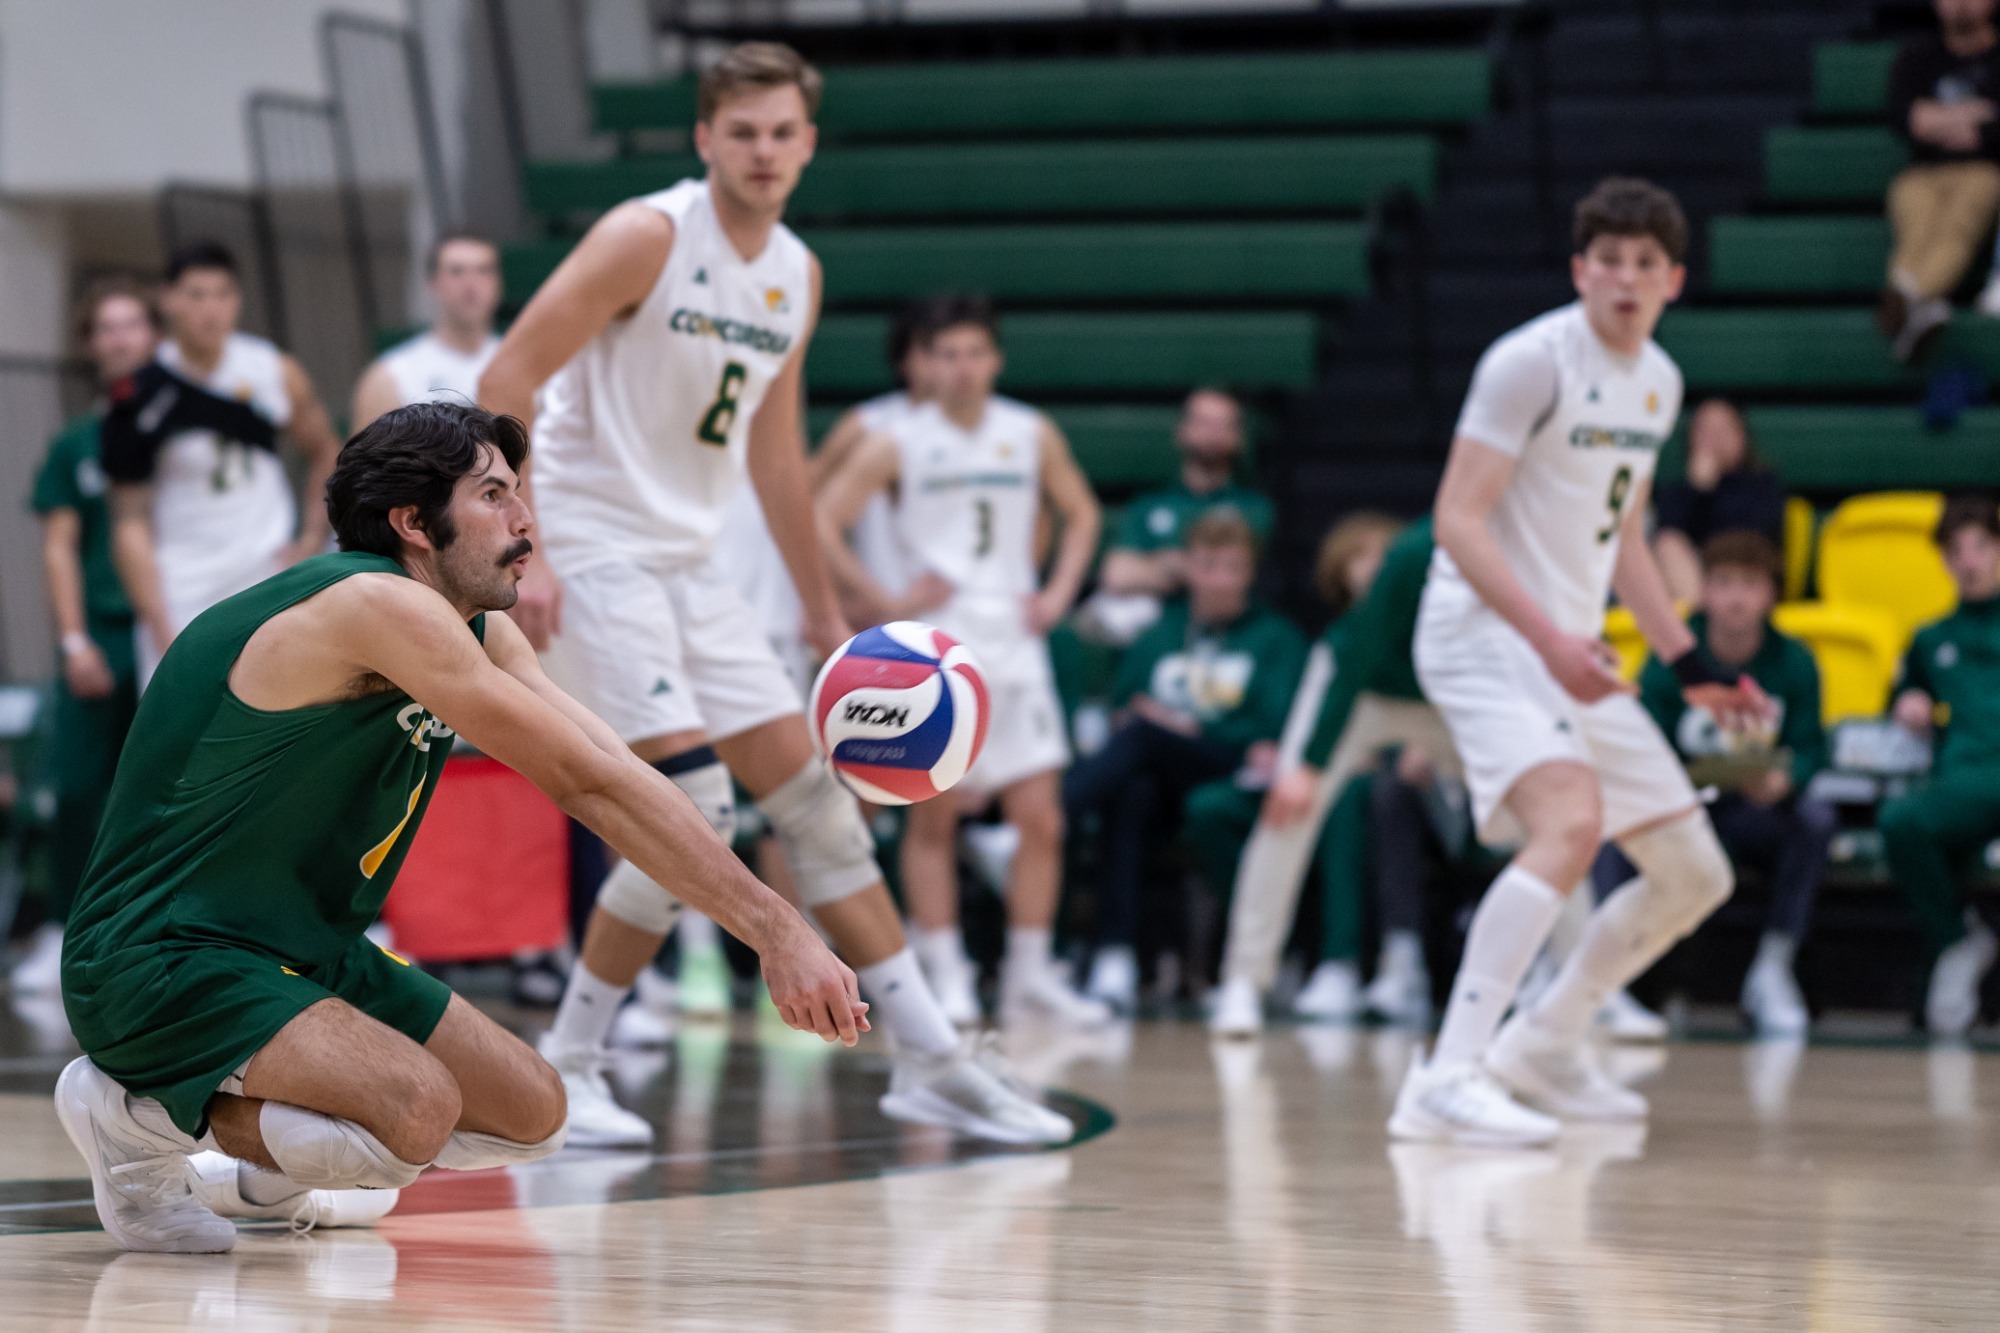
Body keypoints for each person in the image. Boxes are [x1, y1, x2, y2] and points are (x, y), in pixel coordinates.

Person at [56, 401, 870, 1254]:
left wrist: (778, 924)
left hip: (301, 950)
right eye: (493, 496)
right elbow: (582, 783)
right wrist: (776, 929)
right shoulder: (372, 602)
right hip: (158, 954)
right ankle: (131, 1117)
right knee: (415, 1109)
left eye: (519, 492)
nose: (525, 519)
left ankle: (256, 1181)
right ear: (413, 521)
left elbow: (617, 766)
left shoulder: (478, 628)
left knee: (533, 1115)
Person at [478, 41, 1071, 1148]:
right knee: (688, 813)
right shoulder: (643, 235)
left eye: (781, 132)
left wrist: (818, 606)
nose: (762, 150)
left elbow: (778, 453)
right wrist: (532, 551)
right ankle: (569, 1065)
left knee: (816, 804)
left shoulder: (793, 272)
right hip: (599, 548)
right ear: (704, 139)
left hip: (695, 561)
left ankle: (930, 1060)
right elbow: (505, 379)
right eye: (740, 131)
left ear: (807, 144)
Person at [1391, 176, 1766, 1148]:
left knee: (1691, 872)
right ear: (1578, 270)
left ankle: (1542, 1044)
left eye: (1646, 264)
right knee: (1569, 824)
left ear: (1674, 280)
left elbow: (1624, 535)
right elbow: (1455, 519)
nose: (1625, 279)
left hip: (1568, 645)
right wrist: (1549, 639)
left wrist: (1689, 666)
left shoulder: (1658, 383)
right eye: (1608, 260)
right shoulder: (1527, 362)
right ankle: (1446, 1075)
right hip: (1482, 632)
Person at [816, 295, 1108, 1029]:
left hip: (1016, 642)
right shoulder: (897, 439)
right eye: (947, 353)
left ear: (996, 359)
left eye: (975, 351)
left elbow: (1084, 512)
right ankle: (945, 968)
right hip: (935, 653)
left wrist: (1061, 590)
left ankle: (1031, 975)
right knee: (933, 821)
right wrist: (880, 597)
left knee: (1041, 819)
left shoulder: (1029, 431)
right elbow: (822, 519)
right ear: (926, 363)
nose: (963, 366)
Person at [1203, 514, 1460, 1036]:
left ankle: (1587, 985)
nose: (1373, 565)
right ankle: (1244, 980)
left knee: (1543, 816)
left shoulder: (1438, 576)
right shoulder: (1349, 634)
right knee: (1287, 809)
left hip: (1442, 697)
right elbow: (1351, 672)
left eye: (1378, 552)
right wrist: (1307, 767)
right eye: (1358, 555)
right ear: (1340, 573)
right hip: (1354, 693)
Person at [1064, 510, 1306, 1011]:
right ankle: (1116, 956)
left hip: (1231, 765)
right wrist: (1154, 723)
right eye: (1208, 565)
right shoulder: (1166, 628)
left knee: (1146, 740)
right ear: (1189, 570)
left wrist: (1190, 728)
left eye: (1231, 567)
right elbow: (1124, 703)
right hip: (1163, 769)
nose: (1217, 579)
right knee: (1132, 792)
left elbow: (1270, 729)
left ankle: (1055, 814)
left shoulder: (1276, 637)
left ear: (1249, 574)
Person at [1598, 531, 1833, 1036]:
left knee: (1813, 820)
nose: (1735, 597)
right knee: (1614, 828)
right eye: (1723, 583)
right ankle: (1605, 981)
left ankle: (1773, 970)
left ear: (1770, 594)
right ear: (1704, 590)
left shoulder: (1794, 662)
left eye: (1749, 584)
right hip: (1681, 809)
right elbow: (1642, 738)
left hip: (1752, 812)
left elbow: (1814, 748)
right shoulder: (1674, 655)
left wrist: (1784, 778)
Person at [103, 241, 343, 685]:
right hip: (183, 587)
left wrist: (312, 538)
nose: (210, 309)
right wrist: (156, 618)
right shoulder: (140, 394)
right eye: (196, 295)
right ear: (168, 298)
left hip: (265, 577)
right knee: (182, 737)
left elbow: (327, 450)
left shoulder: (274, 369)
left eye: (222, 294)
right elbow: (129, 520)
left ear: (238, 300)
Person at [18, 280, 157, 994]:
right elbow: (59, 546)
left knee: (176, 790)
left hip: (175, 624)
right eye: (107, 327)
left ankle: (167, 936)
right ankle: (63, 927)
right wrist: (74, 640)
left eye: (133, 323)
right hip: (103, 629)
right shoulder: (75, 443)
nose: (122, 338)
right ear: (89, 344)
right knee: (77, 786)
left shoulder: (182, 431)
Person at [1879, 494, 2000, 1035]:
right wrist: (1908, 703)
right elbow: (1903, 694)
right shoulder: (1931, 639)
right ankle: (1956, 943)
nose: (1970, 561)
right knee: (1902, 820)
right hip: (1967, 782)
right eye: (1957, 551)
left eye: (1983, 546)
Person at [1083, 388, 1275, 644]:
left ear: (1238, 437)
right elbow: (1116, 574)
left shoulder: (1253, 508)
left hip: (1231, 627)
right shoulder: (1149, 505)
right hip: (1154, 627)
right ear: (1182, 430)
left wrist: (1163, 564)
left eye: (1223, 425)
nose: (1212, 433)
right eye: (1204, 423)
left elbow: (1231, 571)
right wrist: (1182, 566)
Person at [1879, 0, 2000, 362]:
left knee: (1958, 224)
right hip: (1922, 174)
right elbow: (1904, 116)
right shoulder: (1918, 57)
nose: (1961, 4)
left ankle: (1904, 297)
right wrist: (1974, 116)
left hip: (1984, 171)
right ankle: (1922, 304)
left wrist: (1938, 120)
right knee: (1915, 218)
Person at [350, 231, 505, 430]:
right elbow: (364, 460)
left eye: (483, 270)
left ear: (499, 283)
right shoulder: (390, 377)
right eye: (457, 271)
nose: (470, 284)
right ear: (432, 283)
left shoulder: (523, 364)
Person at [1650, 399, 1786, 604]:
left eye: (1723, 430)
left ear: (1741, 437)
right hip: (1694, 583)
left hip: (1748, 572)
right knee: (1668, 543)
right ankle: (1703, 623)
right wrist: (1698, 491)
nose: (1714, 439)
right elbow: (1669, 535)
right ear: (1690, 439)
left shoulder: (1763, 485)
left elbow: (1755, 537)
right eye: (1705, 431)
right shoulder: (1677, 491)